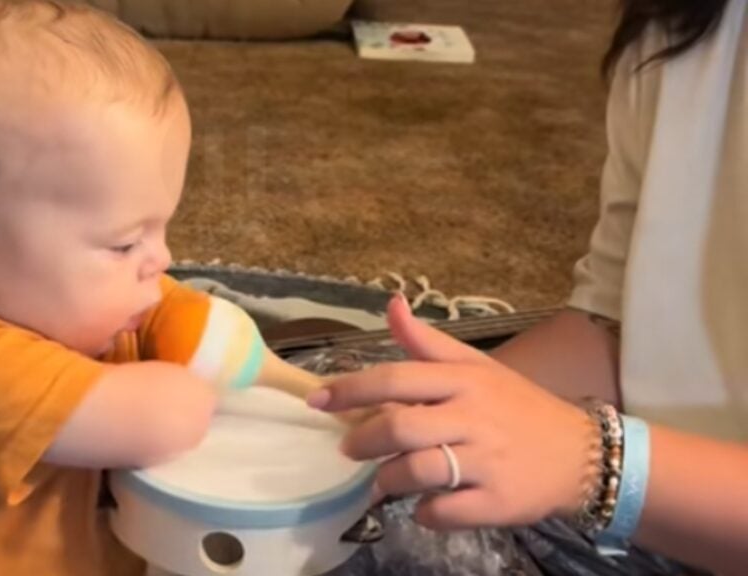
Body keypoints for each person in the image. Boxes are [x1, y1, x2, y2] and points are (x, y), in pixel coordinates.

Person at [0, 1, 329, 574]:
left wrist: (200, 329)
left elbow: (176, 315)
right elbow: (168, 417)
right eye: (124, 245)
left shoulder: (67, 299)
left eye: (161, 228)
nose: (162, 260)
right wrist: (205, 386)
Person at [308, 1, 748, 574]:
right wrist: (433, 410)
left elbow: (589, 458)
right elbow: (616, 322)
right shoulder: (682, 27)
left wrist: (593, 462)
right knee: (320, 420)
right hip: (643, 482)